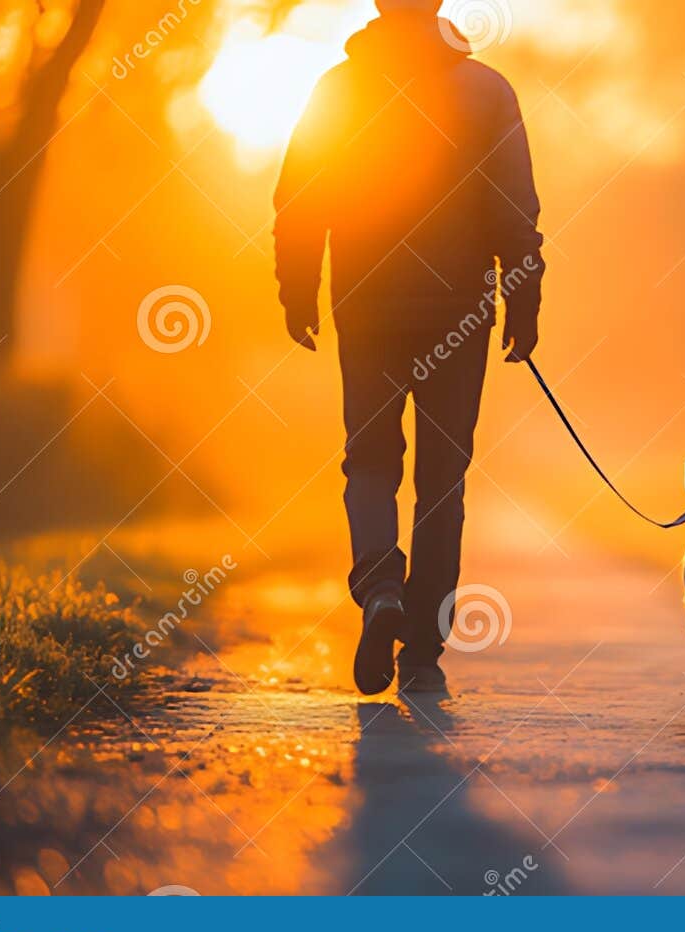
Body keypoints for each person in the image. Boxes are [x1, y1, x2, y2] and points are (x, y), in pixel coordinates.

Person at [274, 0, 544, 695]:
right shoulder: (486, 90)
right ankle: (423, 652)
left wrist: (297, 291)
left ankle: (380, 586)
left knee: (368, 461)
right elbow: (515, 208)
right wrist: (524, 299)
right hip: (459, 309)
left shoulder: (340, 88)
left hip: (365, 305)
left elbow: (300, 198)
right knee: (442, 481)